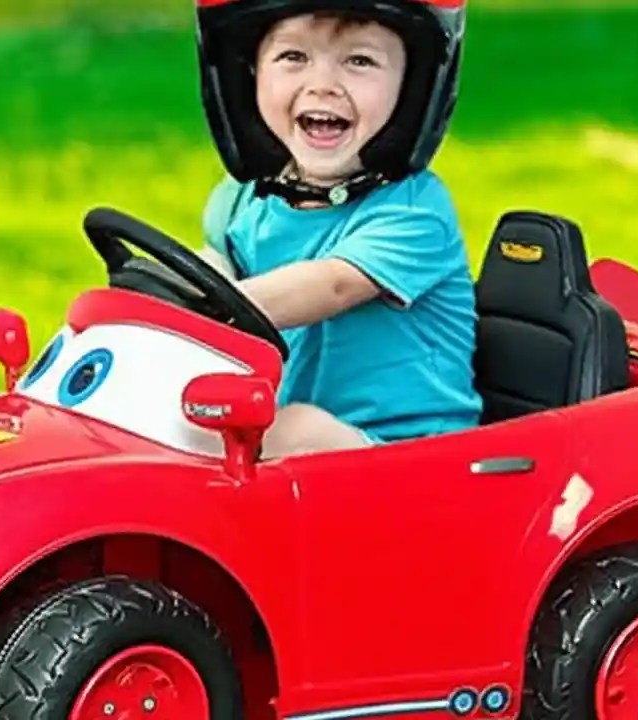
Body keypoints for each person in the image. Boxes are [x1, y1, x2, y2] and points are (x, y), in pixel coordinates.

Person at [193, 0, 481, 458]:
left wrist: (202, 310)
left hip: (412, 458)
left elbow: (332, 285)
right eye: (293, 57)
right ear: (247, 74)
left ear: (412, 88)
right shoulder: (242, 200)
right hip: (296, 454)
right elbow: (203, 275)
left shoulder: (414, 210)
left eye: (359, 60)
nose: (323, 85)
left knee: (294, 429)